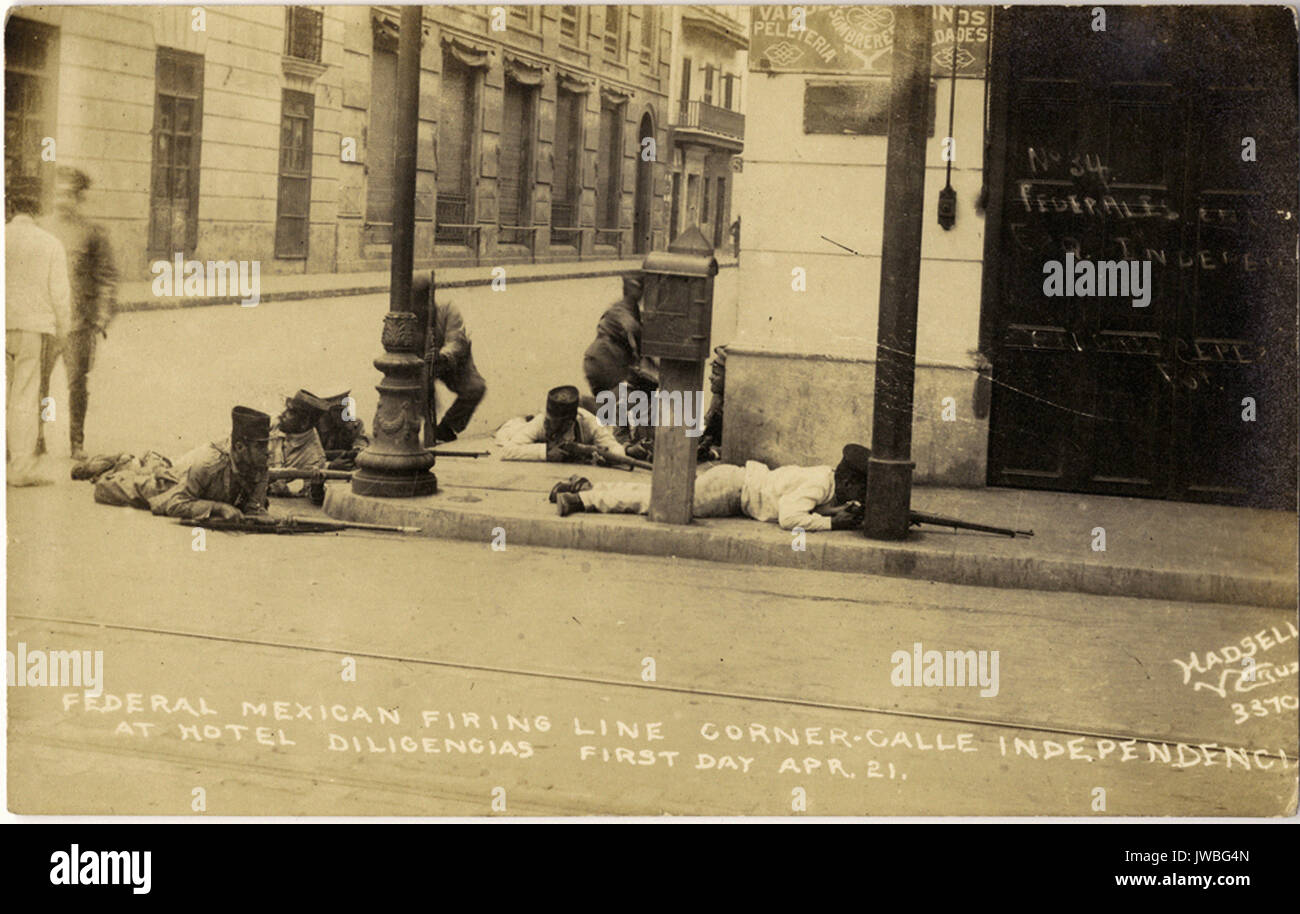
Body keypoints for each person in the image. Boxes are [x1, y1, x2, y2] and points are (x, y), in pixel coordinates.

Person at [553, 443, 871, 532]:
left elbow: (803, 503)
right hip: (733, 491)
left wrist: (836, 510)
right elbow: (789, 518)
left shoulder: (826, 479)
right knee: (658, 502)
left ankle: (585, 488)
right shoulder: (819, 484)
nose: (859, 498)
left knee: (663, 491)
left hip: (733, 482)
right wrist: (832, 523)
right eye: (860, 491)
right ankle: (581, 500)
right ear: (845, 481)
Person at [37, 166, 118, 460]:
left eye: (69, 194)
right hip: (44, 321)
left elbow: (107, 276)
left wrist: (100, 318)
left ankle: (76, 443)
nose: (62, 199)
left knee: (76, 385)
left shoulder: (92, 233)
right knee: (39, 382)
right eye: (59, 192)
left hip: (79, 323)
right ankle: (36, 437)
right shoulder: (40, 227)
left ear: (79, 197)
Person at [82, 407, 273, 520]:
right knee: (105, 487)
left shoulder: (259, 465)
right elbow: (174, 503)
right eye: (261, 447)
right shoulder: (209, 463)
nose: (268, 453)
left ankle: (131, 462)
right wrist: (218, 508)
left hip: (182, 475)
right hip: (167, 484)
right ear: (240, 447)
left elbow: (254, 508)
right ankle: (118, 462)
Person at [6, 177, 71, 487]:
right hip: (32, 329)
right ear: (36, 210)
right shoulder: (50, 244)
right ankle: (19, 468)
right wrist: (64, 329)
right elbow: (60, 294)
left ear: (9, 207)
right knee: (25, 396)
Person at [413, 272, 487, 445]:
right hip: (420, 367)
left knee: (475, 388)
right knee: (418, 400)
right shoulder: (407, 315)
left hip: (449, 363)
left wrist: (443, 355)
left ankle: (447, 428)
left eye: (423, 299)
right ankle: (412, 432)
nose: (419, 304)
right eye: (416, 299)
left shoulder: (447, 309)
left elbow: (456, 340)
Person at [498, 384, 627, 463]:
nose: (547, 425)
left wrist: (606, 457)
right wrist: (545, 453)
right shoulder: (541, 421)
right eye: (548, 419)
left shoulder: (589, 423)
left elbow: (616, 450)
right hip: (519, 428)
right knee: (509, 430)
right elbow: (507, 451)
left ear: (569, 423)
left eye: (553, 422)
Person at [268, 390, 328, 498]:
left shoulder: (315, 457)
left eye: (290, 412)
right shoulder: (275, 422)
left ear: (304, 423)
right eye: (287, 408)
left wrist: (316, 488)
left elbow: (309, 494)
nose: (283, 413)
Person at [314, 390, 370, 470]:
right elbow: (311, 456)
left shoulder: (355, 425)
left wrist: (356, 451)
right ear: (327, 412)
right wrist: (331, 464)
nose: (345, 414)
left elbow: (361, 448)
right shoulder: (315, 427)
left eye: (346, 408)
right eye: (338, 410)